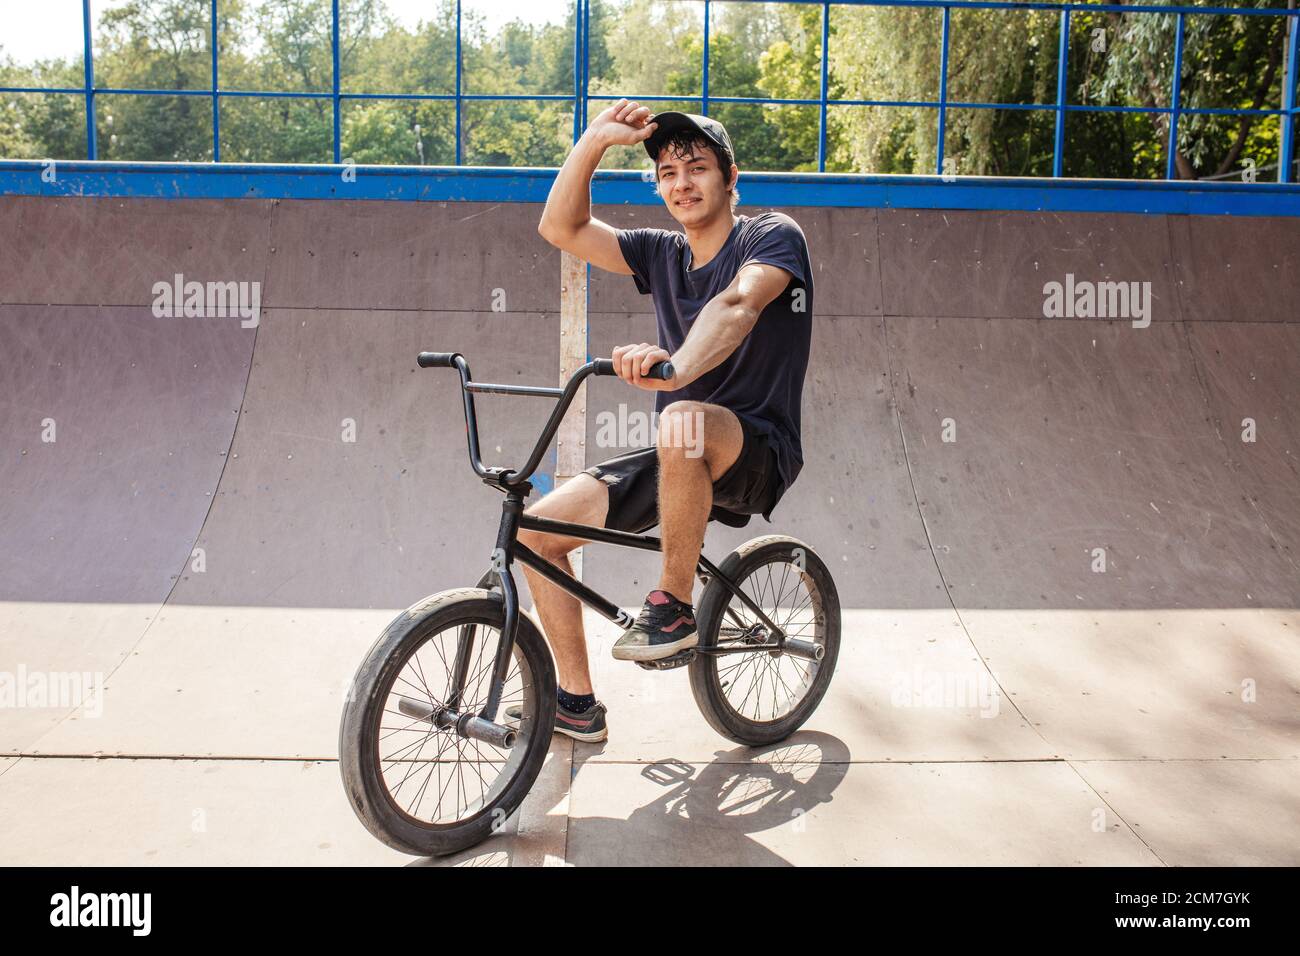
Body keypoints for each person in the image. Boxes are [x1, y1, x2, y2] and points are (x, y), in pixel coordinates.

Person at [518, 100, 814, 741]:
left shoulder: (770, 236)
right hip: (676, 450)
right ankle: (575, 704)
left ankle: (674, 607)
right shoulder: (660, 256)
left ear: (730, 178)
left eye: (698, 167)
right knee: (538, 534)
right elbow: (561, 227)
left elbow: (737, 304)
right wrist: (595, 140)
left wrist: (675, 369)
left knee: (679, 418)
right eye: (669, 172)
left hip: (757, 448)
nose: (682, 182)